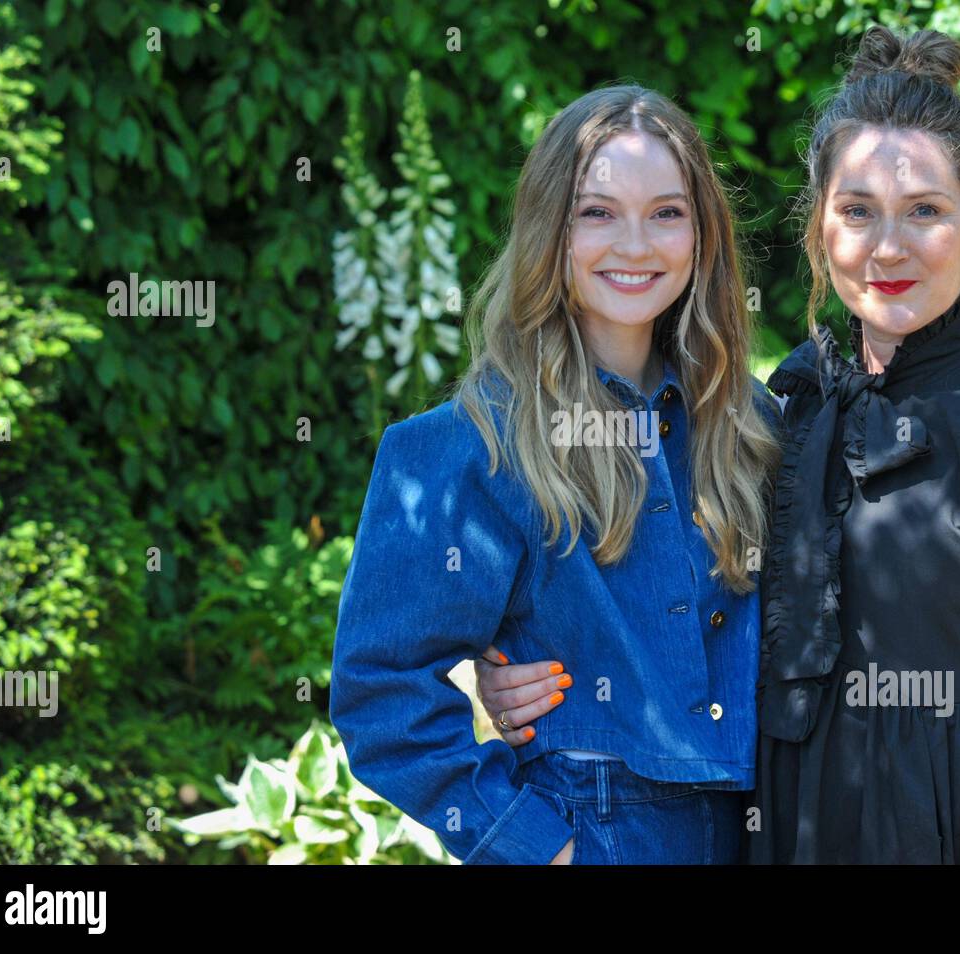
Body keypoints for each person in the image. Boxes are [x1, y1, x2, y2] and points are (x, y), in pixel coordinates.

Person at [478, 26, 960, 864]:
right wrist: (521, 682)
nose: (887, 247)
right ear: (819, 227)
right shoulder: (774, 416)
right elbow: (674, 617)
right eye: (858, 211)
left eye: (925, 210)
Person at [329, 84, 782, 865]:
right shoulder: (470, 448)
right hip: (596, 826)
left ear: (704, 235)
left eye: (667, 213)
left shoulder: (754, 425)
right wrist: (538, 848)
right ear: (548, 228)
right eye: (597, 212)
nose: (635, 245)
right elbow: (381, 692)